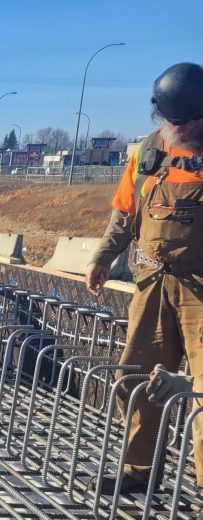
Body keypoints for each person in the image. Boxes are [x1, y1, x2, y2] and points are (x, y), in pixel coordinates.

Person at [86, 61, 203, 495]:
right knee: (135, 377)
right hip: (153, 282)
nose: (178, 130)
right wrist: (102, 257)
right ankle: (139, 472)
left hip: (200, 291)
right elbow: (124, 214)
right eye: (172, 122)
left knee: (202, 397)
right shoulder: (147, 154)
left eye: (187, 124)